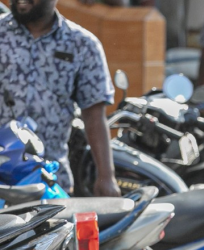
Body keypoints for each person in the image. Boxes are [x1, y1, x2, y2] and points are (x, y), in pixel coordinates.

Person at [0, 0, 121, 197]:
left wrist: (106, 177)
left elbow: (94, 115)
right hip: (2, 183)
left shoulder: (82, 44)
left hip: (51, 182)